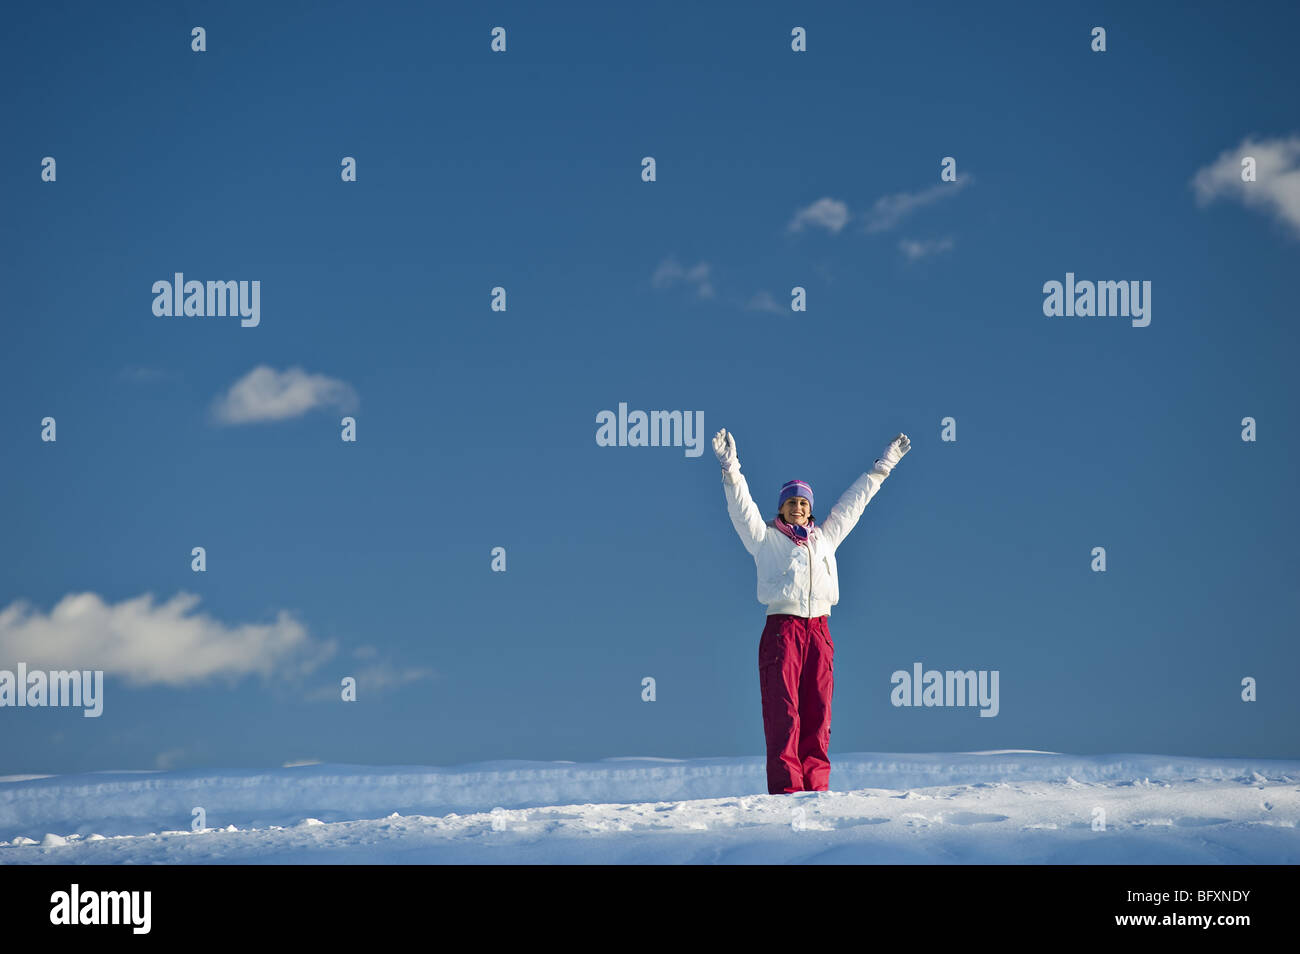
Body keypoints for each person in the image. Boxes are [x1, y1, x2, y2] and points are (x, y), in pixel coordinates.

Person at [713, 428, 910, 795]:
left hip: (819, 629)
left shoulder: (825, 538)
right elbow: (742, 511)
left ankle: (816, 788)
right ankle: (788, 789)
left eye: (804, 503)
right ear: (782, 508)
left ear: (810, 508)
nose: (799, 507)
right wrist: (731, 469)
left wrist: (884, 467)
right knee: (784, 712)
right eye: (792, 502)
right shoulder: (766, 539)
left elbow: (854, 504)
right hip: (782, 629)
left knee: (818, 714)